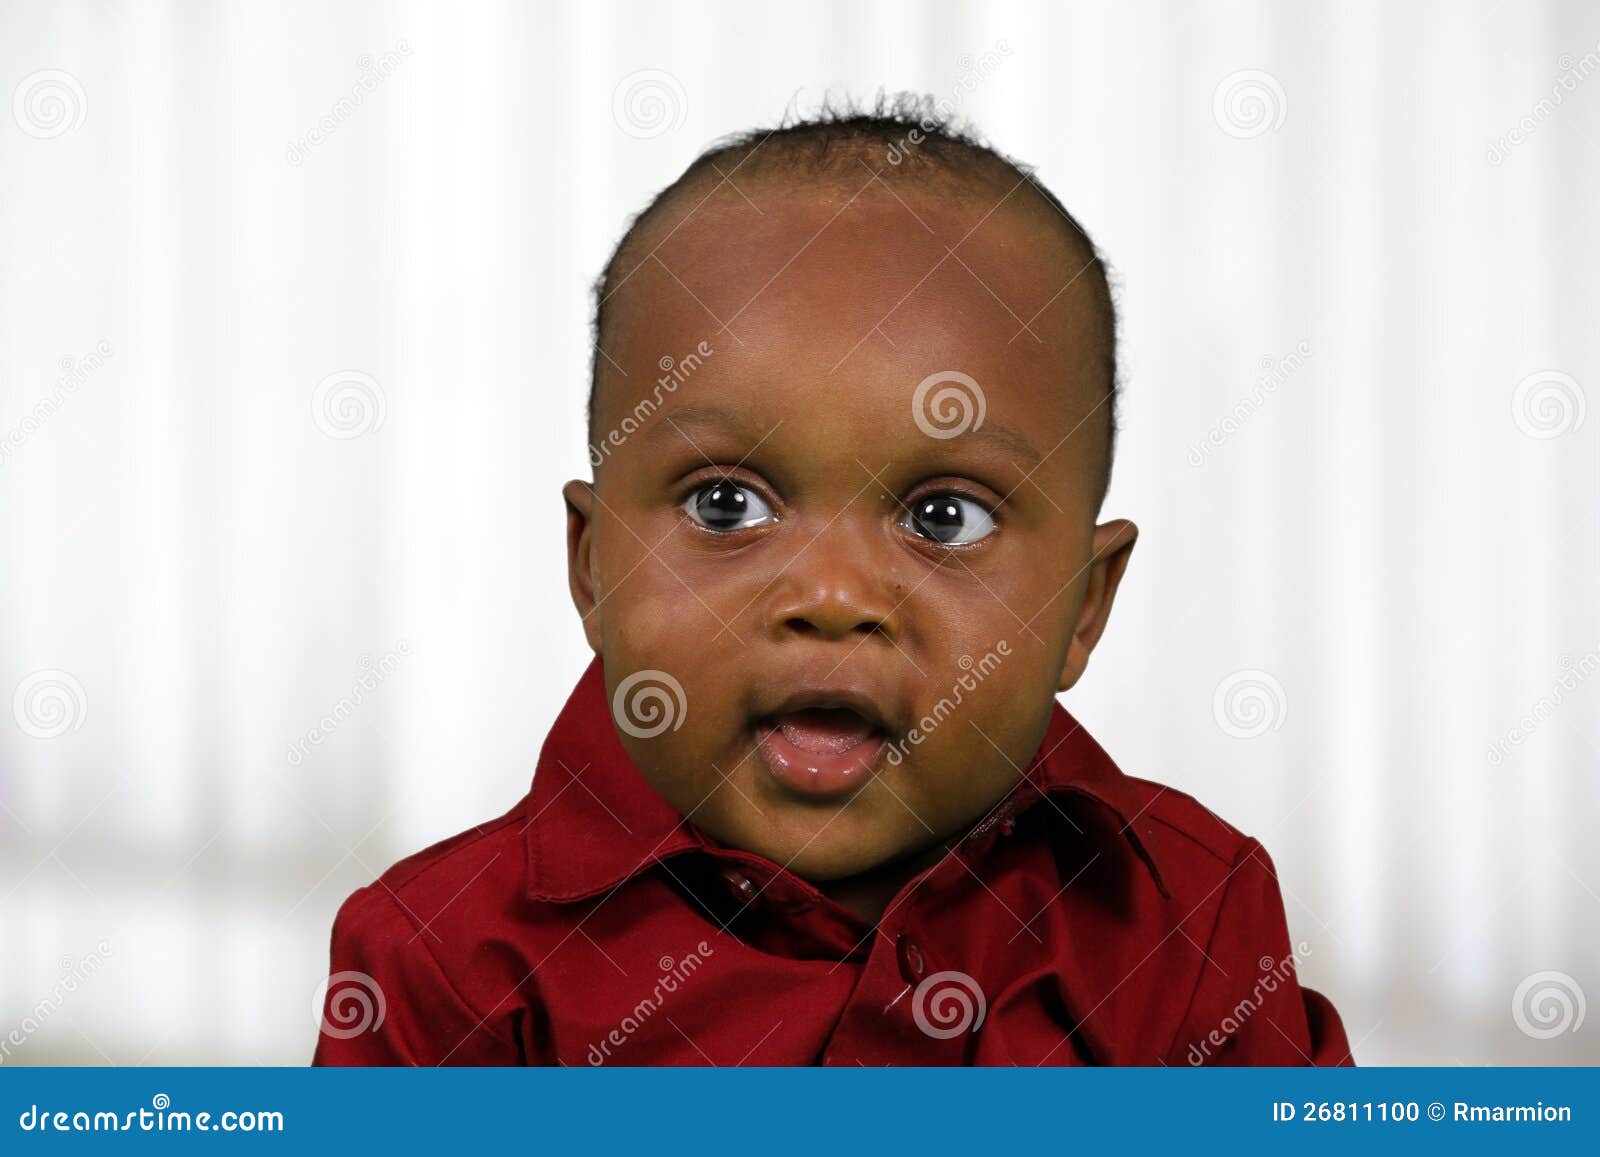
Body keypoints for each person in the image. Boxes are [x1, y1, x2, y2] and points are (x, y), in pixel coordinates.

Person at [313, 98, 1349, 1066]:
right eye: (726, 506)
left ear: (1084, 604)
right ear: (591, 565)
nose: (834, 594)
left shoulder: (1186, 914)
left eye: (945, 516)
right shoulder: (441, 963)